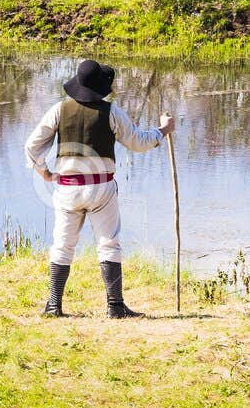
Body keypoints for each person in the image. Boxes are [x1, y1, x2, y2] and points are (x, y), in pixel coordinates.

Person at [24, 59, 173, 318]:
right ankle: (115, 307)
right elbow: (138, 142)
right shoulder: (112, 112)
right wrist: (163, 130)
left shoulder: (59, 109)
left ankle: (53, 305)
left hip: (67, 189)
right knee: (109, 244)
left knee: (62, 245)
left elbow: (32, 146)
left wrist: (43, 171)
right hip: (101, 188)